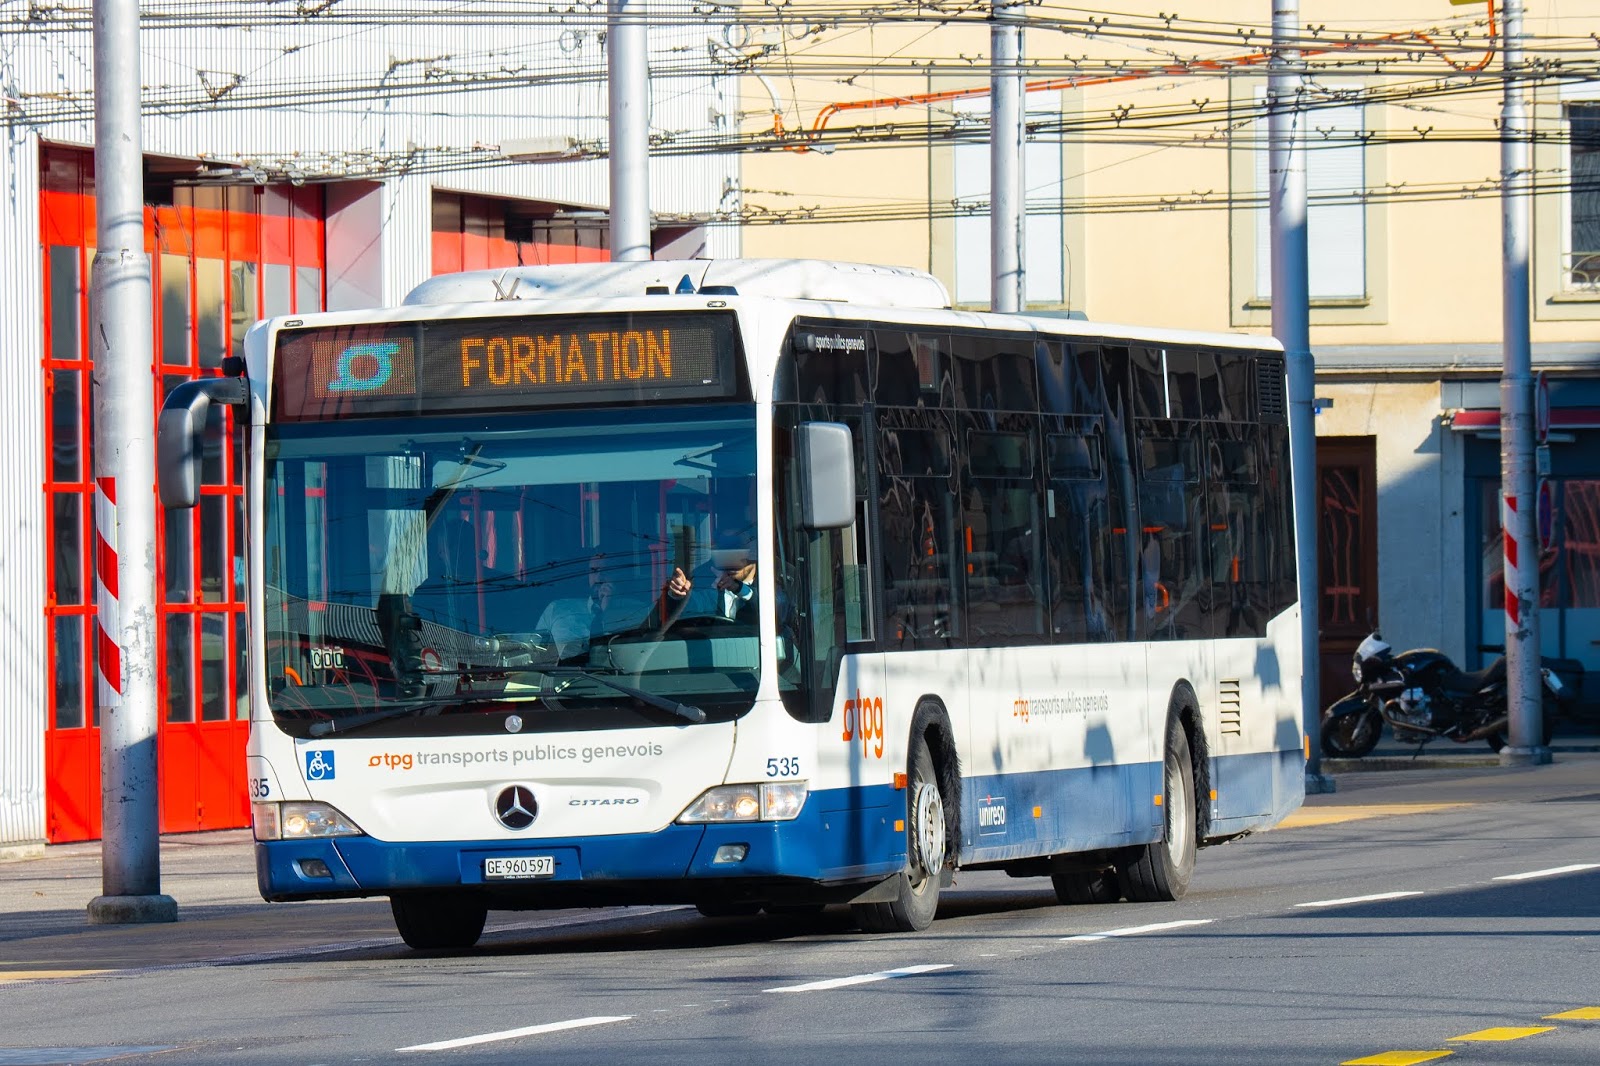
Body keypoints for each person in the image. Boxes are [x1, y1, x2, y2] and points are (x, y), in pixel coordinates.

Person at [642, 534, 757, 632]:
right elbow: (686, 609)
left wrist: (740, 589)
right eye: (726, 549)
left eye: (739, 549)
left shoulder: (766, 582)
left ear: (754, 553)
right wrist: (677, 595)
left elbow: (766, 611)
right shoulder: (708, 586)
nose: (732, 557)